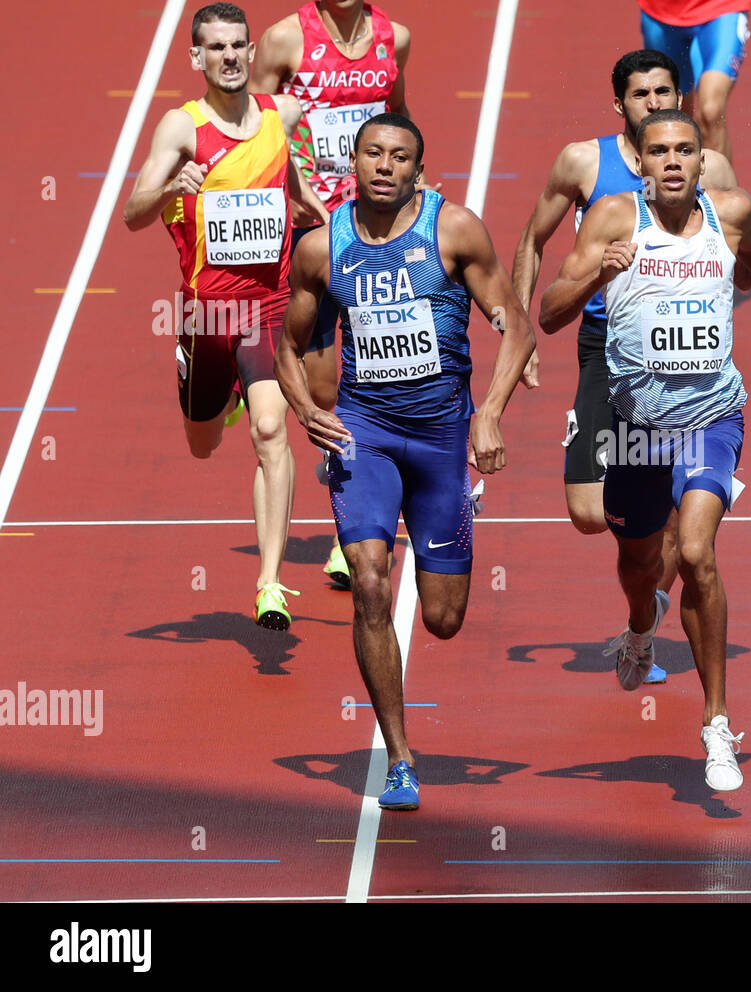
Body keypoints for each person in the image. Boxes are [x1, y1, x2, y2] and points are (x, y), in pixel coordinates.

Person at [539, 109, 751, 792]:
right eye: (658, 152)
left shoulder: (732, 212)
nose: (672, 161)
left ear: (702, 162)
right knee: (639, 561)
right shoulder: (615, 220)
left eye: (685, 150)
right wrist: (597, 274)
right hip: (635, 426)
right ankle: (640, 627)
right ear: (640, 163)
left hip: (712, 417)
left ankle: (716, 725)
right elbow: (551, 312)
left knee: (699, 551)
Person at [276, 113, 533, 810]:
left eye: (400, 158)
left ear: (419, 170)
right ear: (353, 164)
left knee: (443, 620)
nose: (385, 167)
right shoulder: (321, 248)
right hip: (364, 432)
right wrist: (306, 410)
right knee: (368, 580)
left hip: (443, 436)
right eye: (373, 154)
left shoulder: (454, 231)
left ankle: (453, 512)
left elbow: (516, 324)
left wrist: (489, 413)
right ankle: (399, 756)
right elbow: (289, 344)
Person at [514, 49, 737, 684]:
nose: (655, 104)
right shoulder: (585, 162)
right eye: (642, 95)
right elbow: (533, 240)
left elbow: (732, 245)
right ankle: (648, 582)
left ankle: (645, 613)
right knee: (589, 513)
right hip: (603, 348)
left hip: (684, 366)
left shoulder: (707, 165)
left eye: (666, 92)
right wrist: (521, 331)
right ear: (621, 104)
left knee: (677, 525)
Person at [123, 1, 328, 630]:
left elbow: (301, 191)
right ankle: (219, 394)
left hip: (264, 309)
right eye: (217, 48)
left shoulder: (282, 115)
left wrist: (328, 216)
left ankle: (269, 583)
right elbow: (132, 211)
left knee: (273, 431)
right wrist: (169, 189)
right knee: (203, 444)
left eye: (239, 45)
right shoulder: (180, 129)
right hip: (207, 316)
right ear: (197, 57)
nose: (232, 57)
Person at [252, 0, 414, 588]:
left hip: (379, 222)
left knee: (380, 367)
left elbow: (400, 116)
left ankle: (355, 528)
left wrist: (415, 183)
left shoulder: (394, 38)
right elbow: (254, 126)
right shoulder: (281, 40)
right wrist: (284, 189)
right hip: (312, 228)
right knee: (321, 388)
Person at [637, 0, 751, 161]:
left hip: (721, 10)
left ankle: (719, 185)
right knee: (672, 116)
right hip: (660, 13)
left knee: (711, 113)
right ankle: (684, 184)